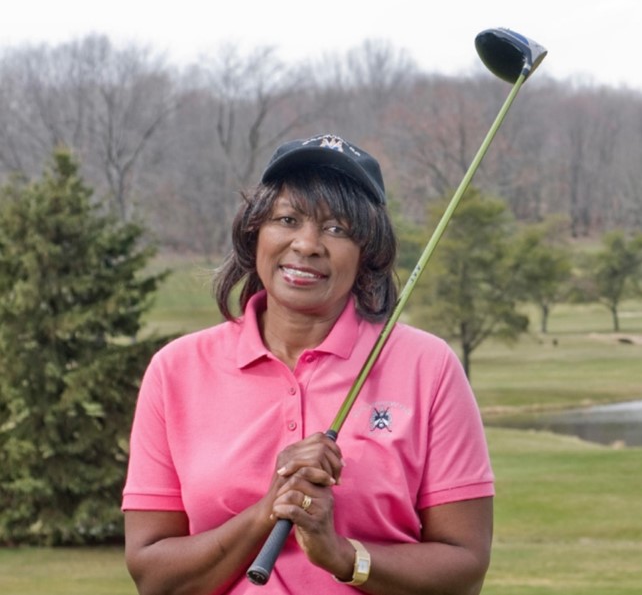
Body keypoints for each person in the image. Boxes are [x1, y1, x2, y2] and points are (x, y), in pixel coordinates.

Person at [122, 133, 494, 594]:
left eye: (337, 228)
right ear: (254, 232)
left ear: (368, 253)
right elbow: (155, 578)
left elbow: (465, 573)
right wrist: (268, 511)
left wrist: (342, 556)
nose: (307, 244)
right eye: (287, 219)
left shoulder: (428, 366)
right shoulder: (176, 370)